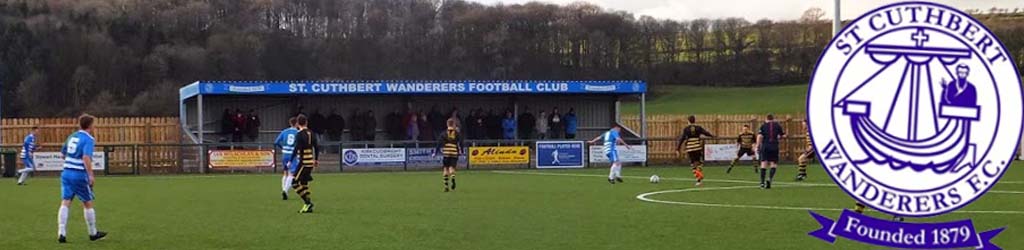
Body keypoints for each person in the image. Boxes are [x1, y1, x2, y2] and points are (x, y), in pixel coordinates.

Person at [57, 114, 107, 243]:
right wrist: (90, 174)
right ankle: (93, 233)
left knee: (66, 201)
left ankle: (61, 233)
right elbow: (86, 157)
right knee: (87, 202)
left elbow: (62, 154)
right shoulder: (89, 139)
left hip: (66, 173)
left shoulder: (72, 136)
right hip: (78, 175)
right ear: (90, 125)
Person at [287, 115, 319, 213]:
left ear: (297, 124)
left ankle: (307, 202)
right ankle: (307, 207)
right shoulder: (312, 133)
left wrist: (290, 160)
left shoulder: (299, 134)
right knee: (304, 183)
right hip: (310, 162)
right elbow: (317, 147)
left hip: (304, 162)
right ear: (306, 122)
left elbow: (297, 148)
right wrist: (316, 159)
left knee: (294, 183)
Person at [675, 115, 715, 186]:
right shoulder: (698, 128)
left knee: (693, 165)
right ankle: (699, 177)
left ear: (688, 121)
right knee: (700, 163)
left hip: (690, 148)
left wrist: (678, 149)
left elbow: (682, 139)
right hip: (697, 147)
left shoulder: (686, 129)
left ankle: (699, 179)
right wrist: (712, 136)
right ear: (694, 120)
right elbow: (705, 133)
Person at [756, 114, 785, 189]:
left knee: (764, 163)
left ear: (766, 119)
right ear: (773, 119)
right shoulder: (777, 125)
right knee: (773, 164)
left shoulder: (763, 125)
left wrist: (757, 146)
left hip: (765, 146)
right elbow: (782, 135)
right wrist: (779, 137)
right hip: (774, 146)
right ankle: (769, 179)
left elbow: (760, 136)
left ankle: (762, 183)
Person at [274, 117, 300, 200]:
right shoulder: (298, 132)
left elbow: (276, 142)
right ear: (296, 124)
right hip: (293, 155)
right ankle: (285, 190)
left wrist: (282, 148)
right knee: (291, 174)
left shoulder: (284, 131)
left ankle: (283, 190)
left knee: (285, 173)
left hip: (284, 154)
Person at [435, 119, 463, 192]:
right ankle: (453, 177)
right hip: (454, 152)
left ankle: (446, 186)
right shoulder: (457, 133)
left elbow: (439, 143)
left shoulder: (443, 133)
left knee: (445, 168)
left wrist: (436, 152)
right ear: (453, 125)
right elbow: (461, 142)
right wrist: (461, 151)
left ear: (447, 124)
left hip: (446, 153)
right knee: (452, 168)